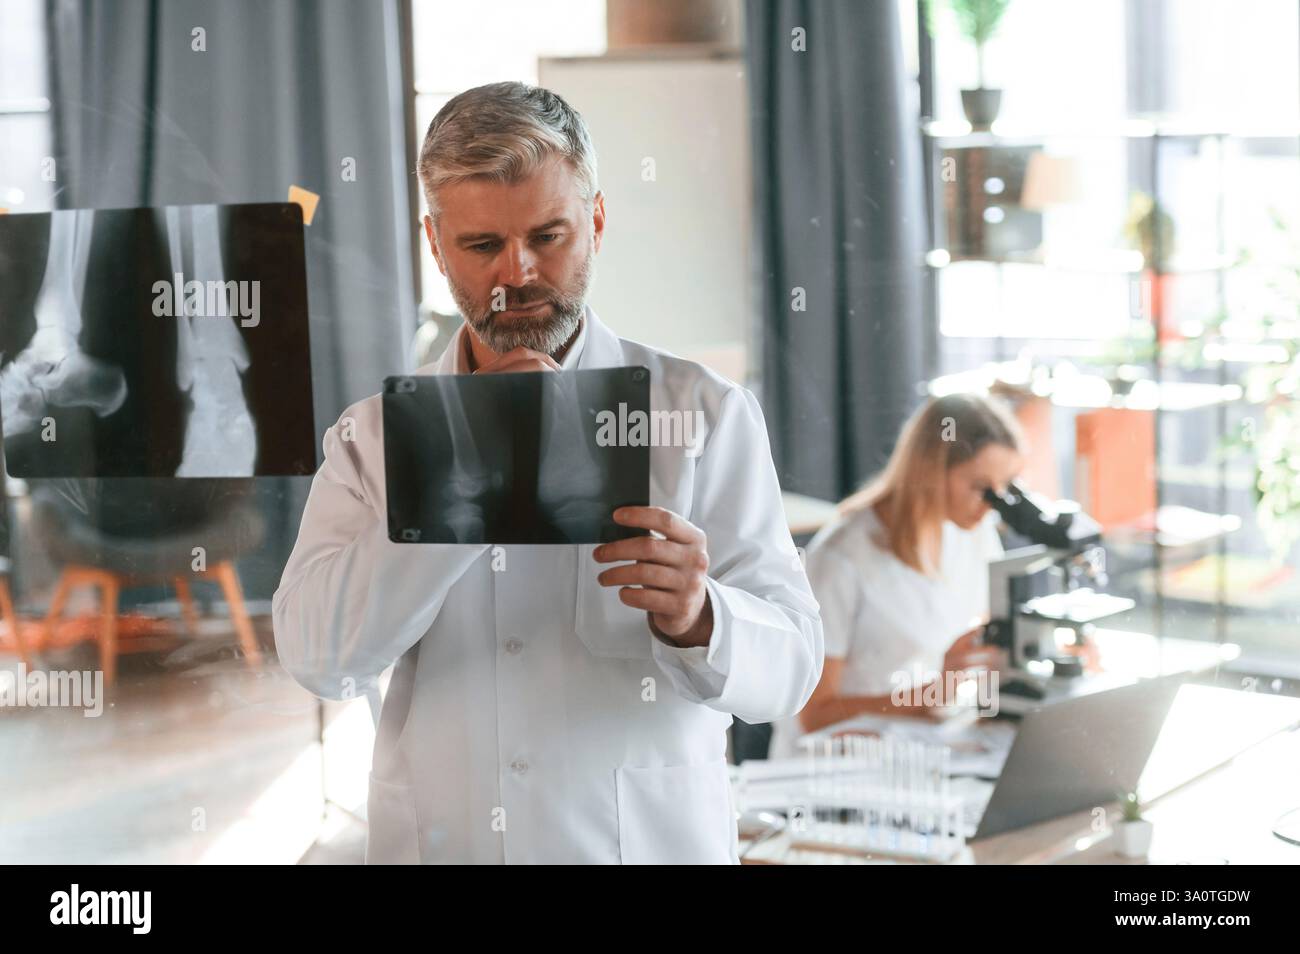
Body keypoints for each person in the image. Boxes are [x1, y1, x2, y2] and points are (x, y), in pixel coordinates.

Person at [272, 82, 824, 864]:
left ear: (595, 221)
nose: (516, 273)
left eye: (548, 235)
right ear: (435, 245)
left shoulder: (704, 414)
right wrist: (464, 472)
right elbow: (317, 659)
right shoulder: (372, 439)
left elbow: (794, 668)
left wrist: (702, 616)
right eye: (481, 245)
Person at [769, 393, 1024, 759]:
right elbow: (815, 715)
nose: (993, 504)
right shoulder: (843, 557)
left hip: (917, 748)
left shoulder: (973, 533)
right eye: (980, 487)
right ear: (932, 471)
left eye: (1006, 486)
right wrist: (936, 692)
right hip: (833, 770)